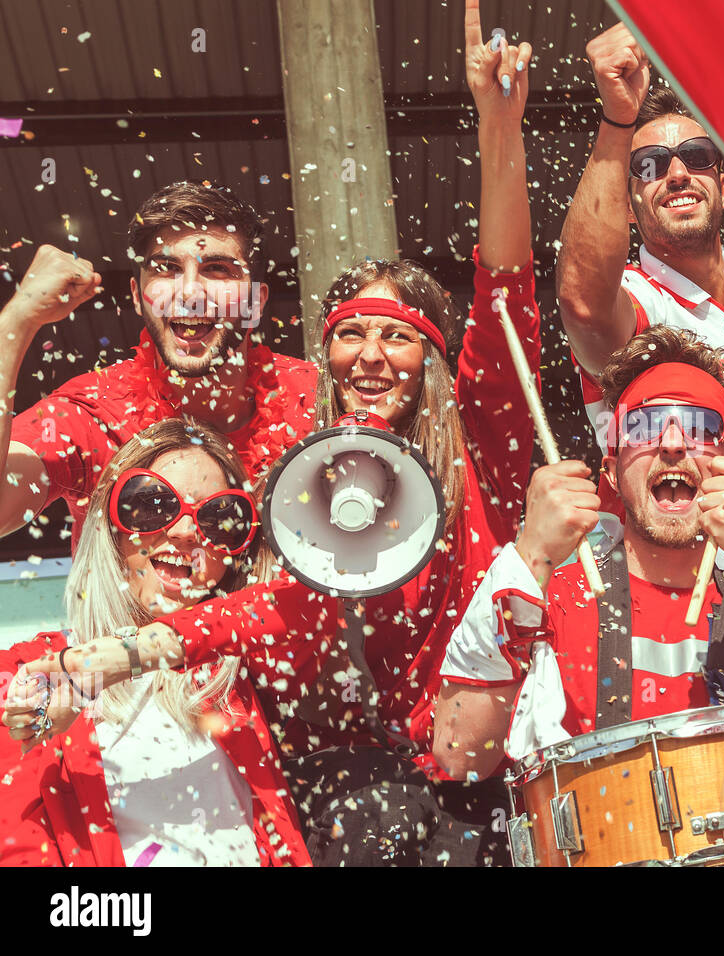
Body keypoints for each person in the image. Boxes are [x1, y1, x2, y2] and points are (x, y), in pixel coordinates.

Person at [21, 3, 541, 867]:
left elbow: (505, 303)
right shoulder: (113, 404)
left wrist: (498, 131)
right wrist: (18, 324)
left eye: (220, 270)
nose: (373, 358)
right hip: (247, 764)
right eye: (350, 336)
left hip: (434, 768)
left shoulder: (358, 420)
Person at [433, 325, 724, 790]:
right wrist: (530, 554)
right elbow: (460, 754)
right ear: (611, 472)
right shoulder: (547, 599)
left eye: (700, 426)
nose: (673, 444)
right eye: (644, 426)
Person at [555, 23, 724, 567]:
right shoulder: (635, 303)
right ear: (629, 206)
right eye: (650, 167)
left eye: (697, 156)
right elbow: (583, 306)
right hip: (639, 597)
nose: (677, 174)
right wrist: (617, 118)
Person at [0, 417, 310, 867]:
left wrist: (140, 652)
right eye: (151, 504)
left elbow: (314, 604)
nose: (185, 532)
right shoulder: (33, 669)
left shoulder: (246, 668)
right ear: (110, 525)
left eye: (220, 518)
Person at [0, 182, 318, 549]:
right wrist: (19, 318)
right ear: (138, 296)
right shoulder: (92, 413)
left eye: (216, 269)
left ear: (256, 302)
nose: (189, 293)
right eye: (166, 268)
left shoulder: (316, 399)